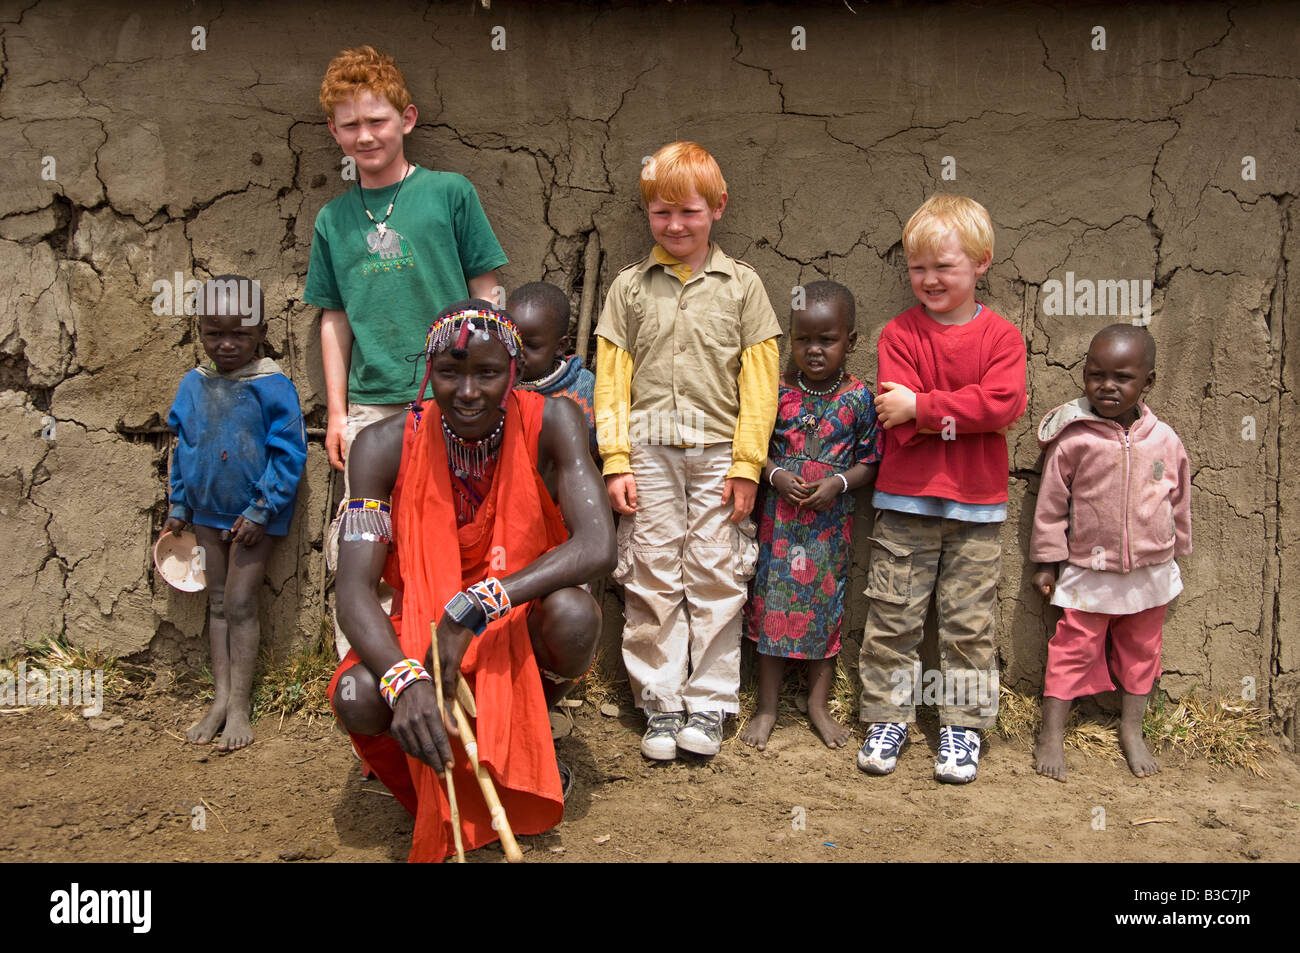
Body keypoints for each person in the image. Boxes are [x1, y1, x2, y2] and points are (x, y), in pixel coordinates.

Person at [328, 301, 615, 863]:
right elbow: (354, 593)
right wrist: (405, 681)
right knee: (356, 693)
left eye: (486, 373)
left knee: (575, 617)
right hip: (420, 630)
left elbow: (596, 545)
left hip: (511, 624)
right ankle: (430, 773)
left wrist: (484, 600)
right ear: (427, 371)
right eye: (449, 373)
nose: (466, 391)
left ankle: (538, 734)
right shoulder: (381, 446)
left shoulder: (553, 422)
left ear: (513, 371)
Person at [303, 45, 508, 657]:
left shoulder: (449, 194)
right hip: (373, 409)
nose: (365, 135)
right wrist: (339, 415)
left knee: (455, 536)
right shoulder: (333, 220)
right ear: (333, 133)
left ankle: (457, 677)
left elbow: (486, 292)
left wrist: (493, 386)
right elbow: (333, 320)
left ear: (407, 119)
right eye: (350, 125)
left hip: (455, 405)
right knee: (365, 546)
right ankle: (371, 688)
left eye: (377, 120)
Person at [595, 141, 782, 760]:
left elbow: (759, 382)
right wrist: (616, 457)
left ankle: (710, 701)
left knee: (717, 571)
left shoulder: (742, 287)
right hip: (647, 452)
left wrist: (748, 463)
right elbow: (611, 377)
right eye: (661, 214)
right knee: (650, 571)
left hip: (717, 456)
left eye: (689, 212)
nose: (675, 226)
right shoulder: (629, 288)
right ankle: (660, 701)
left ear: (718, 208)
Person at [858, 194, 1027, 784]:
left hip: (978, 510)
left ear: (981, 262)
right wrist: (952, 414)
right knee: (893, 617)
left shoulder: (1002, 338)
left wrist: (923, 409)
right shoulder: (899, 335)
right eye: (917, 267)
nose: (928, 280)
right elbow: (892, 417)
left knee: (968, 623)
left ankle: (963, 727)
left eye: (944, 267)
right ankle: (887, 716)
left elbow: (1003, 404)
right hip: (904, 505)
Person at [1030, 325, 1191, 780]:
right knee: (1072, 646)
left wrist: (1178, 548)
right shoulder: (1075, 440)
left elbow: (1180, 498)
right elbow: (1050, 507)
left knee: (1142, 649)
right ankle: (1051, 732)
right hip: (1088, 568)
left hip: (1150, 570)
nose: (1107, 386)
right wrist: (1046, 561)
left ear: (1148, 383)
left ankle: (1132, 729)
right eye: (1095, 374)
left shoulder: (1165, 441)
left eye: (1122, 377)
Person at [161, 275, 308, 752]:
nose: (226, 344)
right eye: (213, 332)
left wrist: (262, 508)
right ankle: (220, 699)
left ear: (262, 332)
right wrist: (179, 505)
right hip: (205, 513)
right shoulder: (193, 384)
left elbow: (289, 454)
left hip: (254, 518)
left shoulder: (273, 387)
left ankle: (241, 704)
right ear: (198, 330)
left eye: (239, 334)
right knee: (218, 602)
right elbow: (183, 446)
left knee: (242, 604)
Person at [741, 281, 880, 751]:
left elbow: (871, 459)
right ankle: (767, 707)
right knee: (771, 607)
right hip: (780, 525)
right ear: (790, 339)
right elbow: (753, 449)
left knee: (825, 610)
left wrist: (838, 483)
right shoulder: (775, 393)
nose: (814, 351)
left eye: (828, 340)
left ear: (851, 341)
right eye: (803, 340)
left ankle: (818, 706)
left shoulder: (861, 398)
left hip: (828, 528)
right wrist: (776, 475)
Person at [508, 281, 598, 461]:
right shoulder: (499, 385)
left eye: (531, 346)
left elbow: (594, 447)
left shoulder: (582, 386)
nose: (519, 354)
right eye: (511, 343)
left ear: (560, 346)